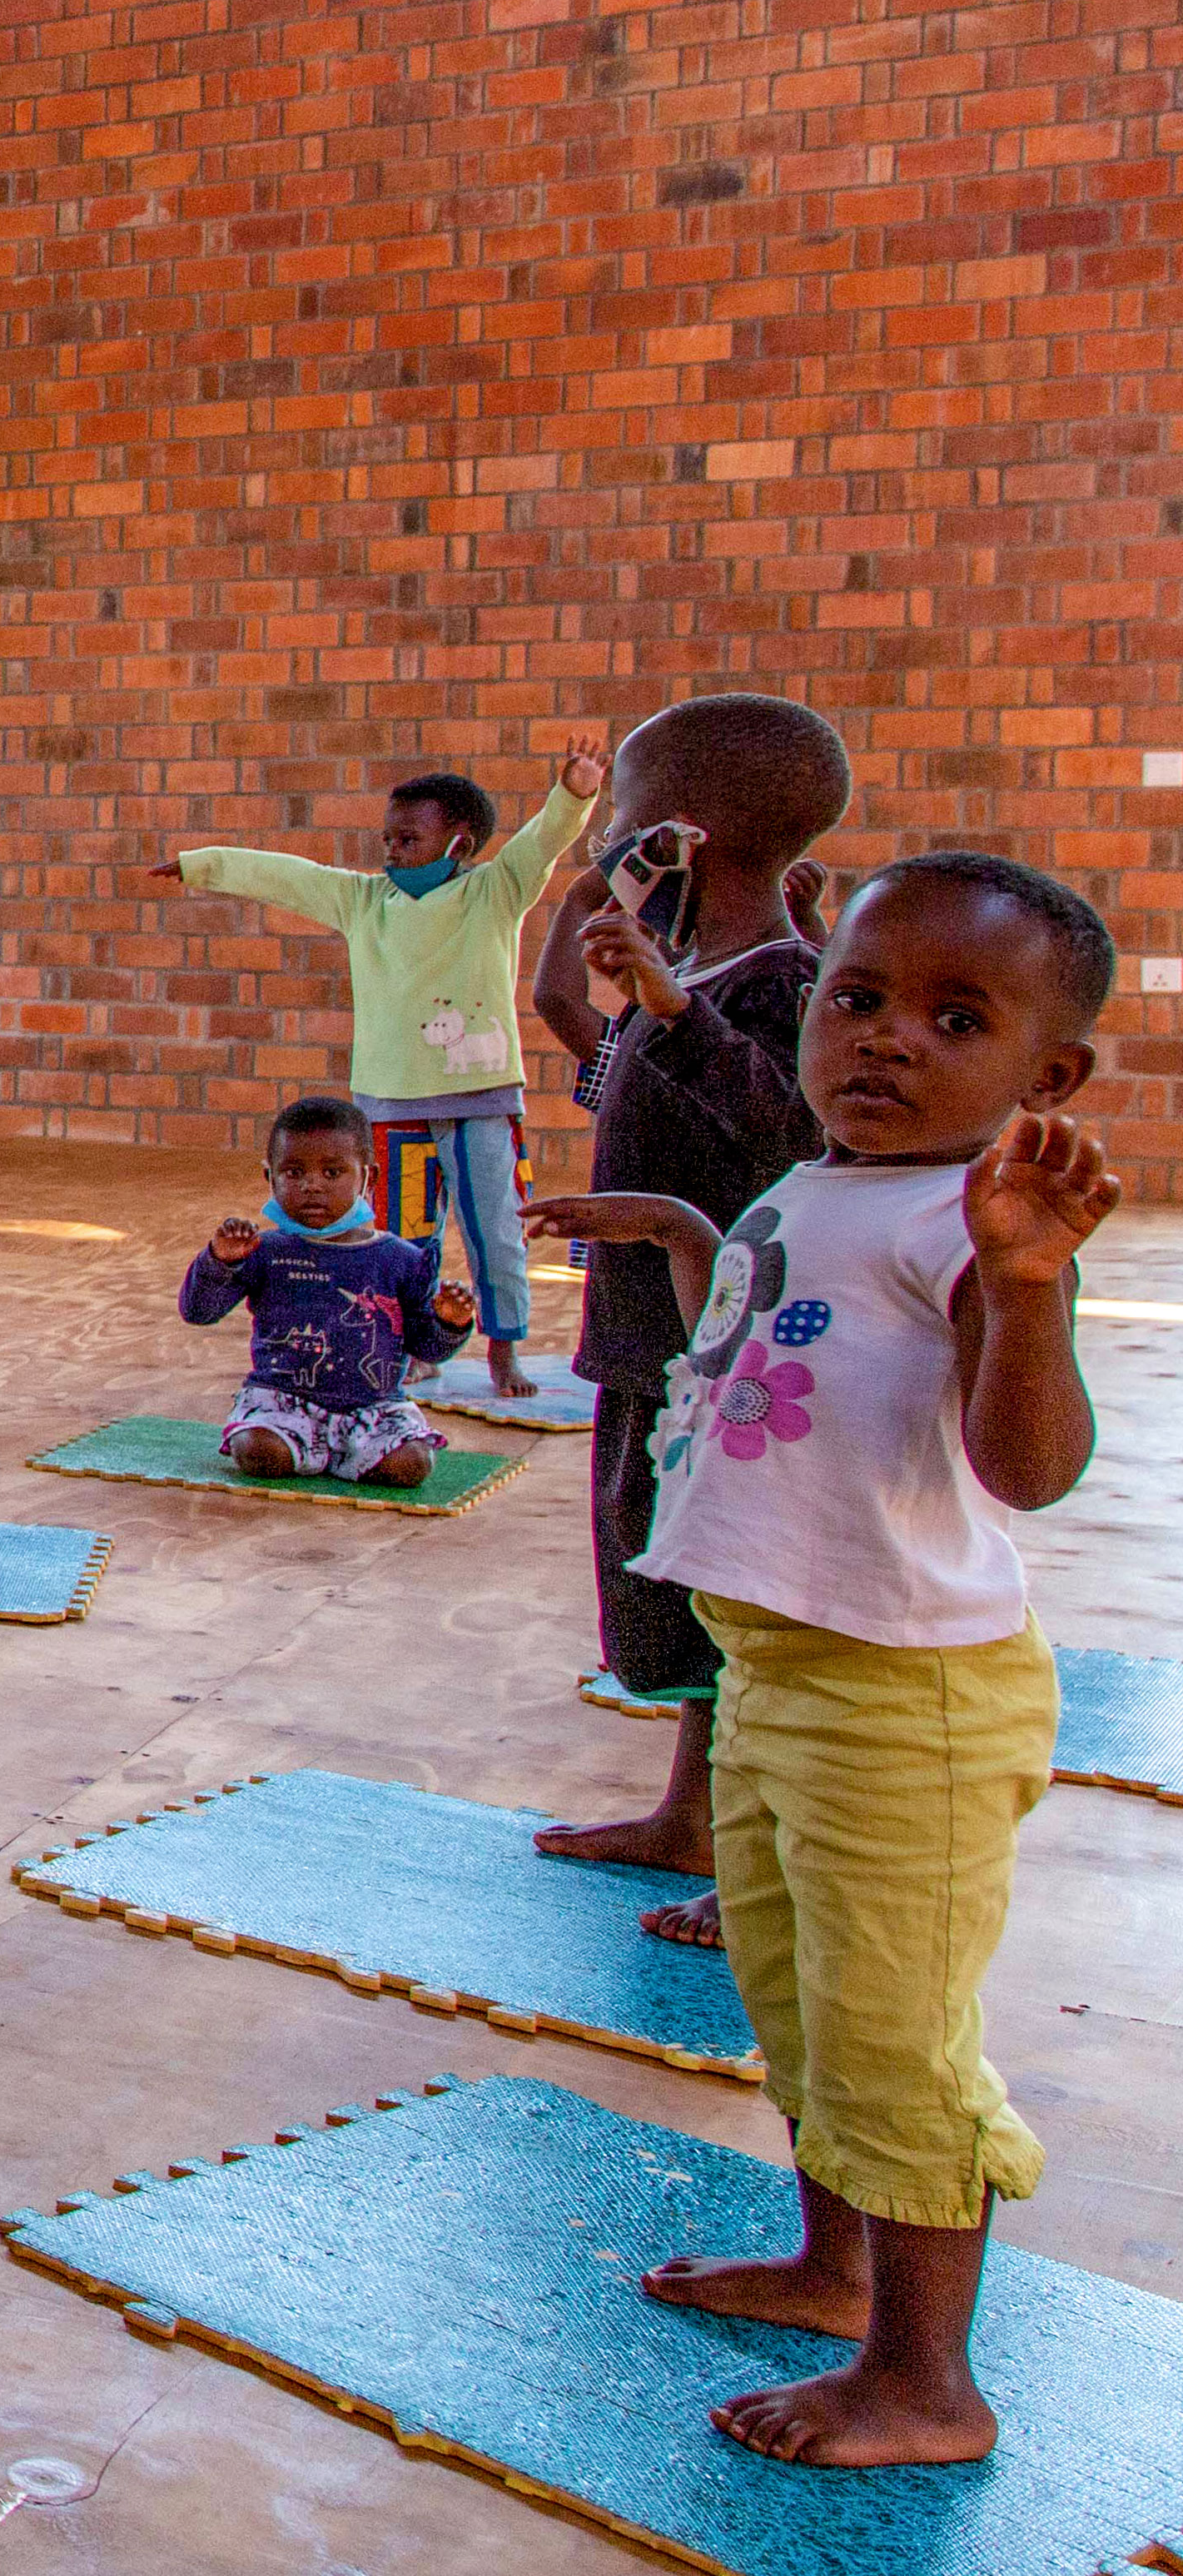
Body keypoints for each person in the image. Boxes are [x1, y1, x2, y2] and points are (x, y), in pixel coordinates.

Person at [525, 853, 1116, 2472]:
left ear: (1044, 1077)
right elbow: (766, 1314)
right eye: (858, 999)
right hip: (780, 1682)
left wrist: (1027, 1280)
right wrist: (667, 1224)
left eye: (953, 1016)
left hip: (906, 1706)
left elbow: (1030, 1466)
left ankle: (928, 2385)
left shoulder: (974, 1215)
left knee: (895, 2045)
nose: (885, 1039)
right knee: (798, 2011)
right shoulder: (815, 1183)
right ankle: (832, 2265)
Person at [520, 694, 851, 1939]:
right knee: (667, 1580)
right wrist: (584, 921)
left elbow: (788, 1125)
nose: (605, 836)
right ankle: (692, 1815)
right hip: (646, 1334)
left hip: (725, 1343)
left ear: (678, 835)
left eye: (618, 821)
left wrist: (669, 1003)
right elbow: (578, 1038)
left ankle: (750, 1856)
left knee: (733, 1600)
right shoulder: (688, 973)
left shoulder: (786, 983)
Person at [153, 744, 597, 1395]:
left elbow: (544, 841)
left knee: (496, 1232)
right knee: (405, 1239)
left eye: (409, 839)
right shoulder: (365, 902)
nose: (391, 851)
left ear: (460, 842)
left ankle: (504, 1350)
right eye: (387, 838)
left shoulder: (495, 891)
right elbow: (288, 876)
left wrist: (575, 795)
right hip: (391, 1105)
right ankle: (419, 1346)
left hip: (483, 1099)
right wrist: (204, 864)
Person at [181, 1098, 475, 1488]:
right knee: (257, 1450)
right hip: (282, 1403)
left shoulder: (403, 1260)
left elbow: (428, 1348)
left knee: (412, 1465)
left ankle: (339, 1452)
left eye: (333, 1172)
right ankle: (315, 1451)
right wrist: (219, 1261)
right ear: (270, 1177)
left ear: (367, 1178)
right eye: (293, 1172)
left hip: (375, 1407)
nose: (312, 1185)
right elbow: (198, 1311)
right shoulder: (265, 1252)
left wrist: (450, 1322)